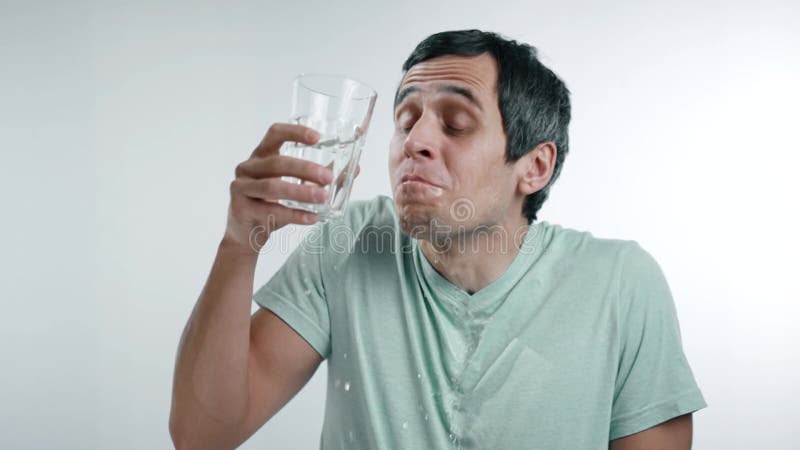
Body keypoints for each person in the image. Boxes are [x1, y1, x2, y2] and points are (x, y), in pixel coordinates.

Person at [169, 29, 707, 450]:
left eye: (454, 123)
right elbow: (203, 435)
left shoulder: (619, 284)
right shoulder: (351, 242)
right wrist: (240, 243)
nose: (415, 141)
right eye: (406, 119)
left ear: (534, 167)